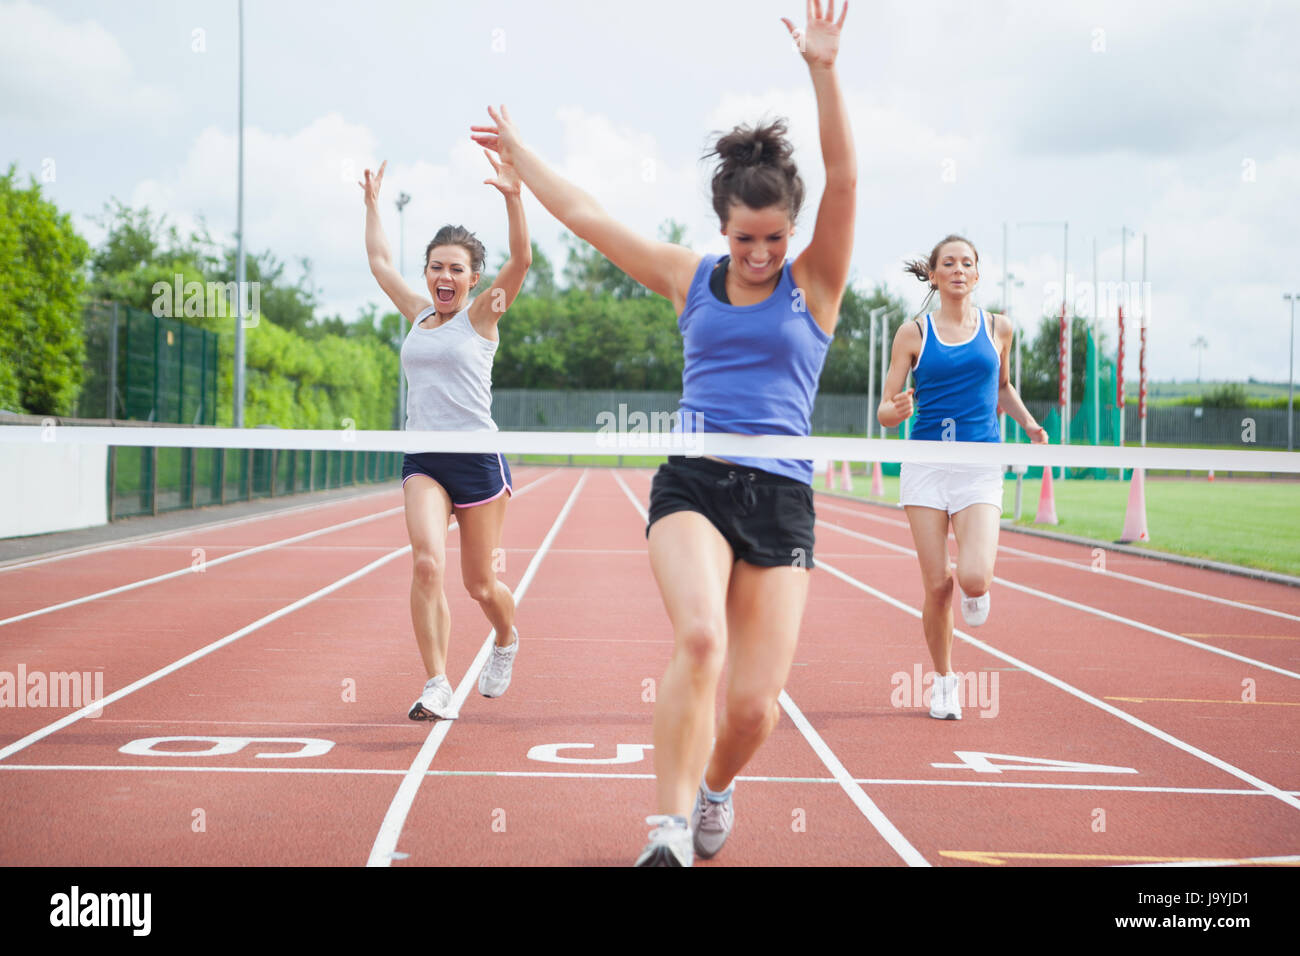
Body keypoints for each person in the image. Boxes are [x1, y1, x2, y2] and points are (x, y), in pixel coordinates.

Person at [471, 0, 854, 866]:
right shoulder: (691, 279)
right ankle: (669, 829)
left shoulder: (816, 283)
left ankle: (716, 789)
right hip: (695, 485)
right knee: (700, 640)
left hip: (783, 500)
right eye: (746, 238)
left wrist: (823, 74)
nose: (760, 253)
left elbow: (847, 179)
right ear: (723, 228)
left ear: (792, 231)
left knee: (755, 708)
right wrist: (520, 155)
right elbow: (592, 219)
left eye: (774, 238)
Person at [359, 153, 531, 720]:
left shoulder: (483, 317)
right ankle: (437, 682)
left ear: (473, 278)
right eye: (436, 267)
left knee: (481, 585)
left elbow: (523, 259)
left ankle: (505, 637)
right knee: (426, 564)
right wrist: (372, 205)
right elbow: (381, 261)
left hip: (477, 459)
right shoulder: (415, 313)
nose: (444, 278)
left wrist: (513, 196)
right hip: (425, 458)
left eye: (456, 269)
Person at [877, 234, 1047, 719]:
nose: (957, 269)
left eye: (966, 263)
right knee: (937, 587)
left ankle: (976, 590)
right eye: (947, 263)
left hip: (978, 466)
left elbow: (1004, 387)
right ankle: (945, 681)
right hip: (927, 466)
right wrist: (898, 408)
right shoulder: (913, 333)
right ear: (933, 275)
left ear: (977, 274)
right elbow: (885, 411)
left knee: (973, 579)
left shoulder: (998, 328)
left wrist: (1028, 422)